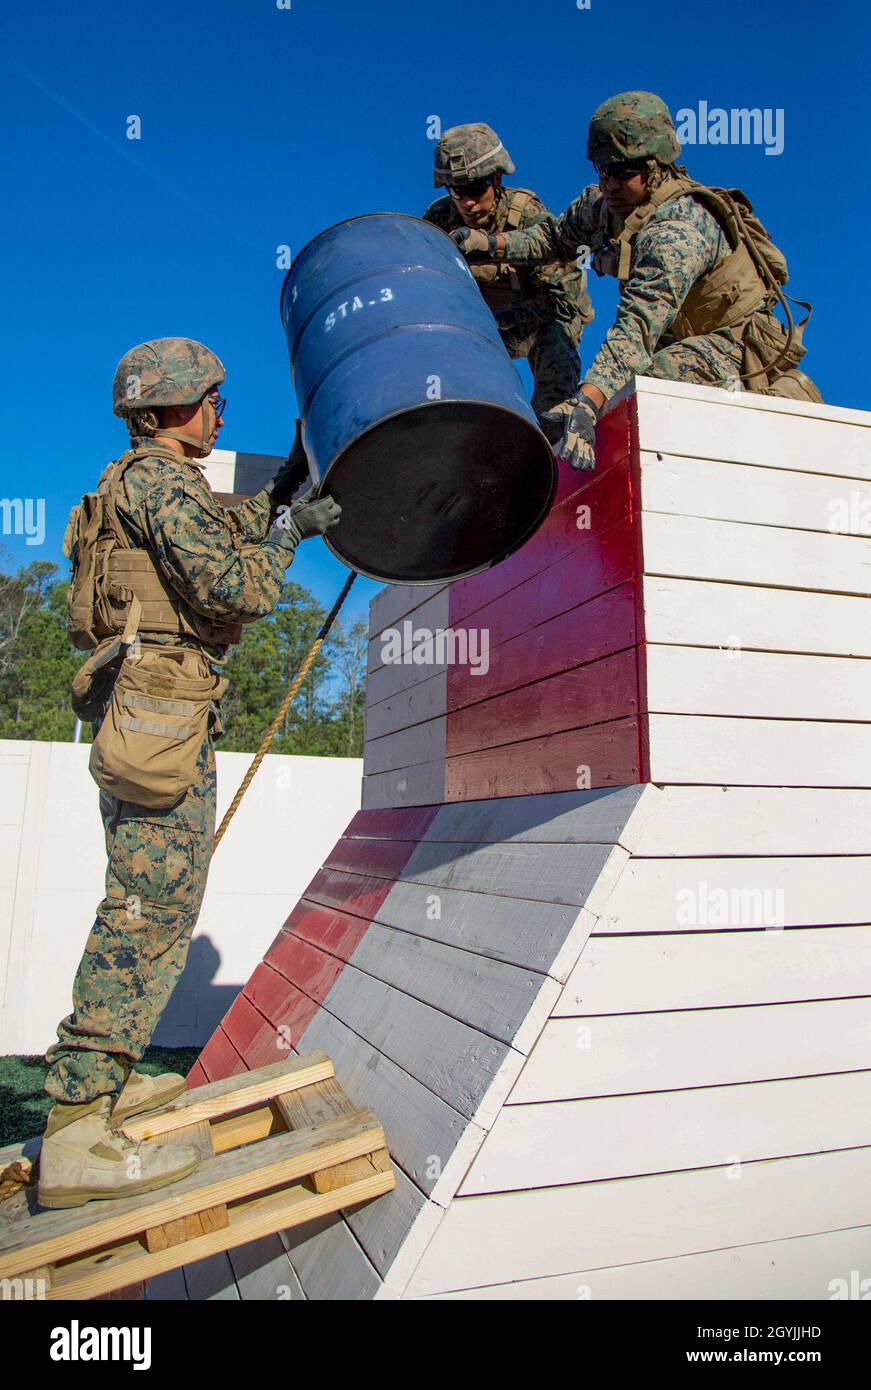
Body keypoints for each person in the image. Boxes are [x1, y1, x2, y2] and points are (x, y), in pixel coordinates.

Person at [38, 337, 339, 1208]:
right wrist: (290, 532)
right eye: (210, 398)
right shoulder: (161, 481)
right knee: (149, 905)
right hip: (161, 712)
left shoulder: (141, 481)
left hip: (153, 708)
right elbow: (233, 591)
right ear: (171, 405)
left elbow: (213, 539)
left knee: (150, 898)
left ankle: (103, 1077)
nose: (219, 411)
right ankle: (77, 1128)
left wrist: (278, 495)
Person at [452, 92, 821, 469]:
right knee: (630, 391)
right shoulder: (604, 206)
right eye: (602, 169)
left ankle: (765, 400)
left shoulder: (678, 230)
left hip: (735, 342)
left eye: (622, 173)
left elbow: (638, 326)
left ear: (656, 167)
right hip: (676, 335)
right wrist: (488, 243)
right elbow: (553, 239)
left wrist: (587, 402)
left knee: (647, 387)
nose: (609, 183)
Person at [423, 122, 593, 439]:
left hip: (545, 319)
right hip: (483, 329)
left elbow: (563, 304)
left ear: (497, 179)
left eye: (476, 189)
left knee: (552, 381)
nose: (468, 203)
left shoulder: (526, 214)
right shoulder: (440, 220)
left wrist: (505, 317)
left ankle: (555, 446)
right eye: (458, 192)